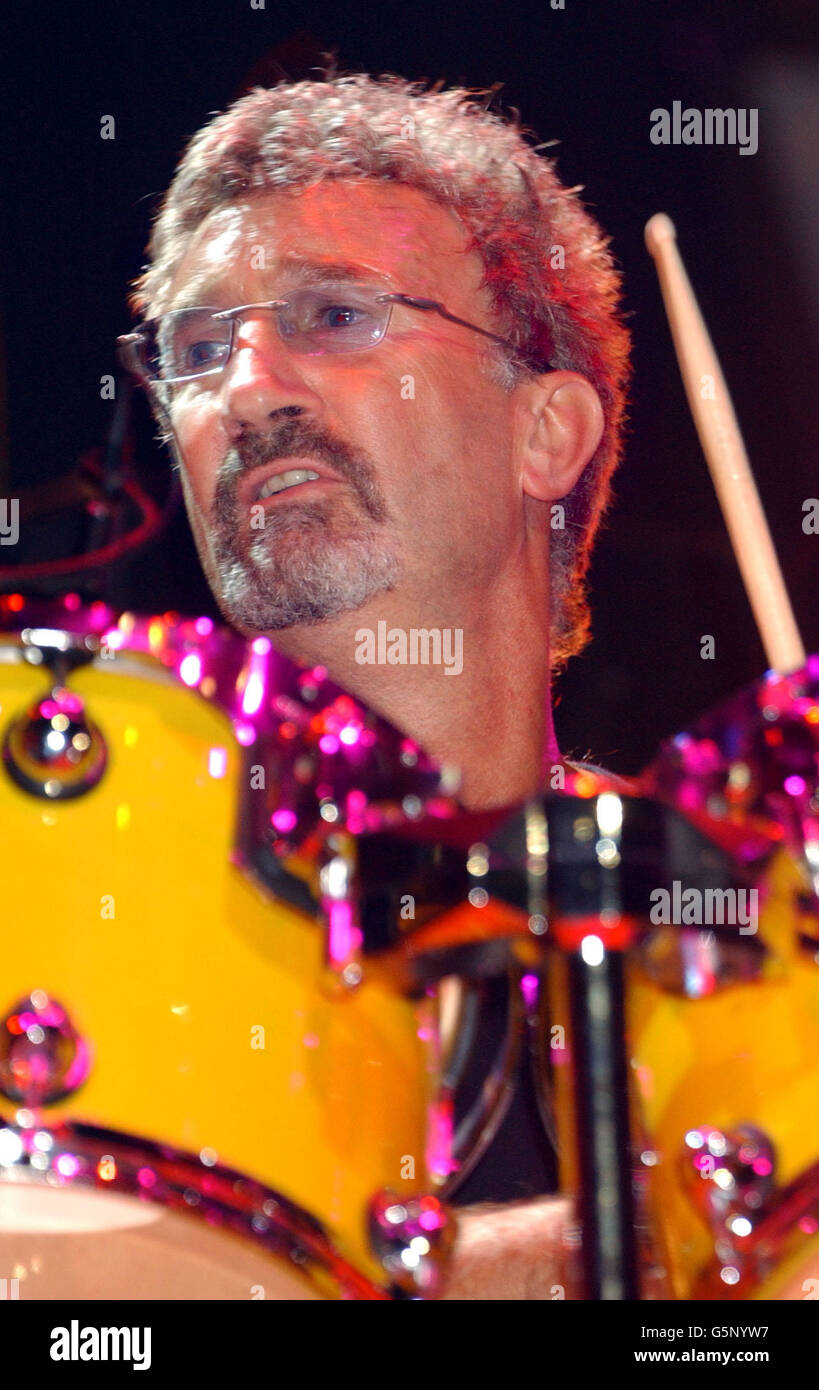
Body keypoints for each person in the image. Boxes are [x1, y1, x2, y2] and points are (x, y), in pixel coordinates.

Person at [119, 70, 631, 1298]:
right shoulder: (79, 886)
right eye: (198, 348)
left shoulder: (729, 919)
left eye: (335, 316)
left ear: (545, 432)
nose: (244, 389)